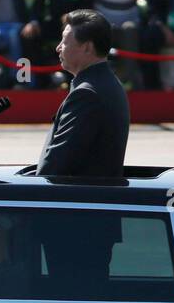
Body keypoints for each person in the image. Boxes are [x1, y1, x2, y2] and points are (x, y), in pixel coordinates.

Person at [36, 10, 129, 178]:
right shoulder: (106, 83)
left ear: (87, 47)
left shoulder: (87, 93)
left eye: (64, 42)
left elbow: (53, 168)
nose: (58, 48)